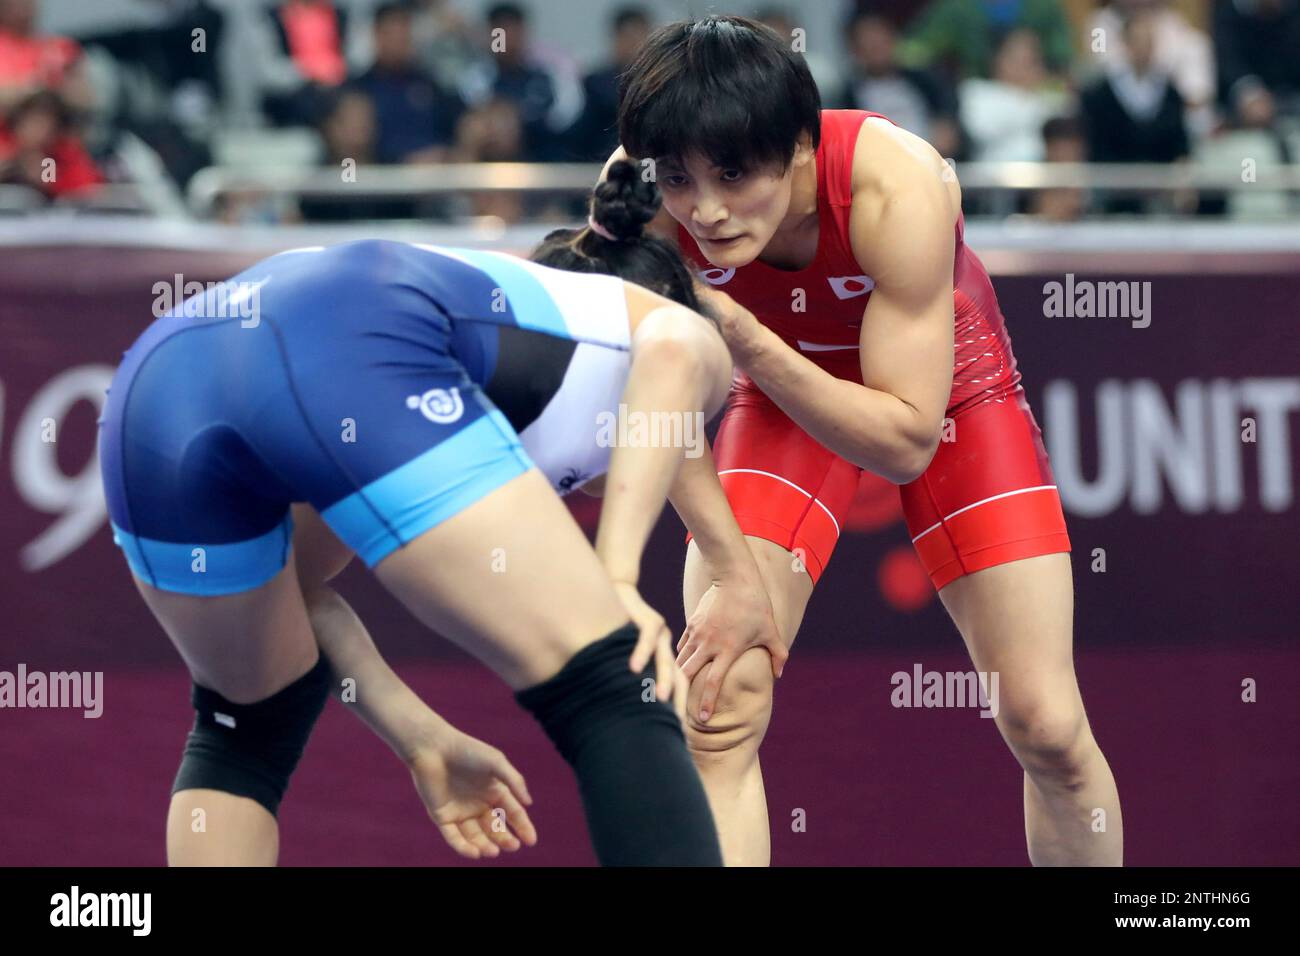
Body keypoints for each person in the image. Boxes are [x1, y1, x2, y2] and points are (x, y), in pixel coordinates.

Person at [97, 160, 731, 867]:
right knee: (617, 679)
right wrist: (616, 582)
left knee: (245, 724)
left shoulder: (475, 353)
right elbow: (678, 349)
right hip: (340, 330)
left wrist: (417, 734)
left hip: (159, 385)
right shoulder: (666, 330)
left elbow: (298, 595)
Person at [606, 15, 1123, 866]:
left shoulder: (898, 185)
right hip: (771, 398)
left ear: (802, 146)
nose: (706, 209)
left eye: (734, 174)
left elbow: (905, 441)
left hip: (945, 392)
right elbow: (658, 407)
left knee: (1047, 723)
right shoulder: (639, 205)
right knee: (717, 701)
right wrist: (732, 572)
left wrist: (738, 330)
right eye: (680, 179)